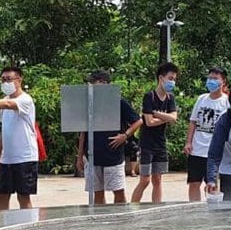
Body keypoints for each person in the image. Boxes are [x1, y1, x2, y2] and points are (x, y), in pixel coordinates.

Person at [76, 69, 139, 206]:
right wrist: (80, 156)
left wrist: (125, 135)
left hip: (113, 155)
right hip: (93, 155)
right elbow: (83, 131)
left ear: (103, 83)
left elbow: (138, 121)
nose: (91, 85)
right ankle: (101, 221)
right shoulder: (89, 103)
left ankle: (121, 219)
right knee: (97, 192)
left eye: (94, 82)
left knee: (118, 191)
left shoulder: (118, 102)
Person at [0, 65, 38, 210]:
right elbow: (4, 131)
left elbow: (8, 104)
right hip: (7, 159)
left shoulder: (25, 100)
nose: (6, 83)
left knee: (23, 197)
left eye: (9, 79)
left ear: (19, 80)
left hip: (25, 157)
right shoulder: (5, 101)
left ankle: (28, 229)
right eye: (3, 79)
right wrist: (0, 157)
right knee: (2, 196)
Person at [131, 62, 179, 203]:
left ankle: (156, 206)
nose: (172, 82)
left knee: (157, 179)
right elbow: (149, 122)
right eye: (170, 78)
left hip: (160, 144)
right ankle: (133, 206)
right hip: (147, 144)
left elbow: (174, 118)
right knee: (145, 180)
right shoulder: (149, 97)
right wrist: (166, 117)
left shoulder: (170, 98)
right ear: (161, 78)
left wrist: (157, 114)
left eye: (174, 79)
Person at [185, 69, 230, 201]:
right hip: (197, 150)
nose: (211, 81)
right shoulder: (201, 99)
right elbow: (193, 122)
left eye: (215, 78)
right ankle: (195, 211)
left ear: (223, 81)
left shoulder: (227, 102)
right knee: (194, 183)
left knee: (212, 184)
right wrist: (188, 142)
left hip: (214, 152)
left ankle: (213, 210)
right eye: (209, 78)